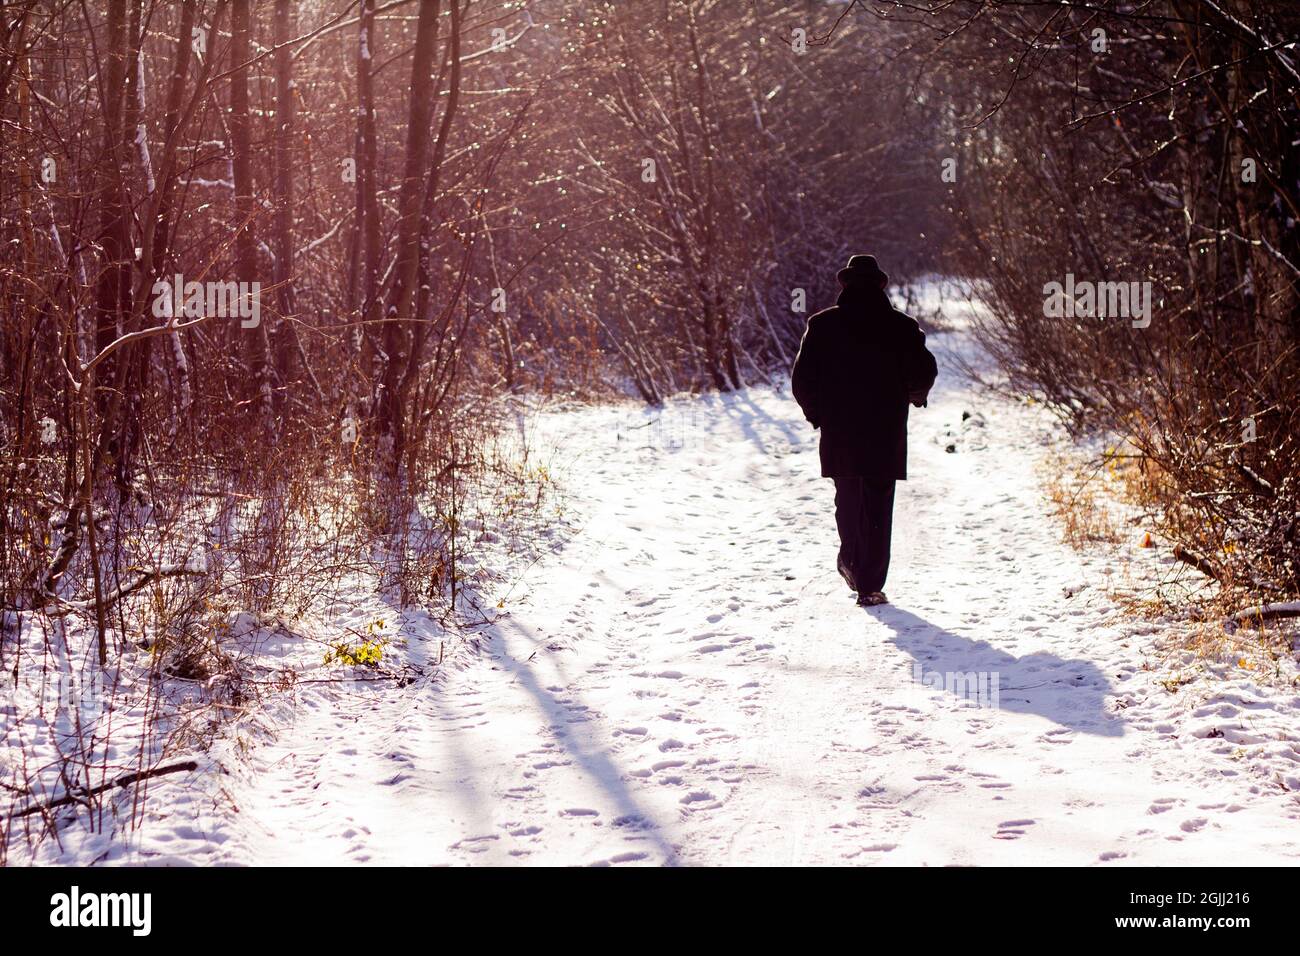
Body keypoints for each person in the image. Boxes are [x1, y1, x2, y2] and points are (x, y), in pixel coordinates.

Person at [790, 255, 938, 607]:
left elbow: (802, 381)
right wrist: (915, 397)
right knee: (877, 504)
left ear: (845, 285)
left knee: (848, 499)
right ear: (880, 287)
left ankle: (850, 562)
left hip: (840, 431)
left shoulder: (823, 325)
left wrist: (817, 414)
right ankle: (870, 584)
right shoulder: (901, 327)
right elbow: (924, 372)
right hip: (884, 431)